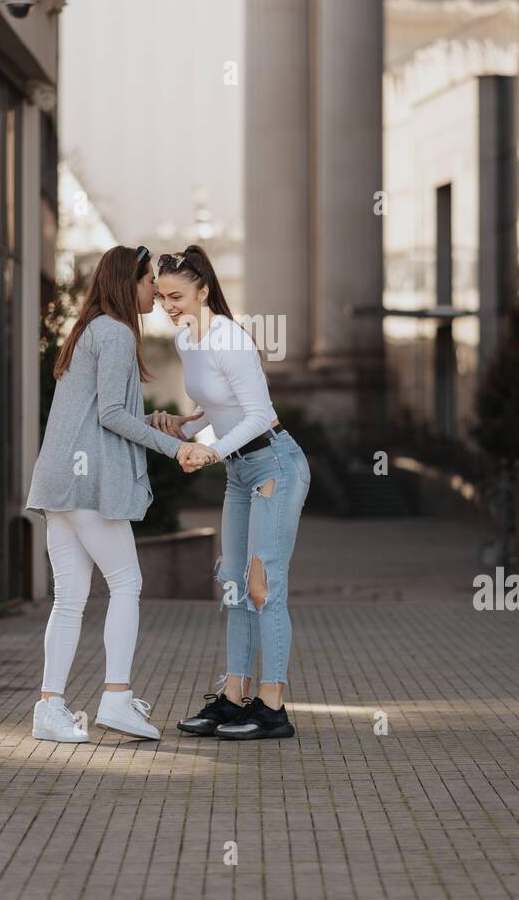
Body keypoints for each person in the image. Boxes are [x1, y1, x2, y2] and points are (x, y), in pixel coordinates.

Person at [26, 245, 215, 744]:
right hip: (89, 486)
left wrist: (158, 424)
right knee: (126, 584)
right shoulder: (113, 332)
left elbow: (106, 413)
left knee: (69, 600)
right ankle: (115, 698)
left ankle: (50, 707)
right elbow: (110, 416)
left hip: (60, 483)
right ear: (125, 284)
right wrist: (176, 451)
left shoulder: (92, 330)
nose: (156, 289)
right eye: (149, 281)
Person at [152, 245, 311, 741]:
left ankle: (272, 707)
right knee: (235, 587)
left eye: (176, 295)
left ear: (203, 290)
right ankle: (235, 696)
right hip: (240, 474)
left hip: (274, 466)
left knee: (265, 587)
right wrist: (186, 422)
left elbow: (259, 414)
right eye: (160, 297)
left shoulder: (228, 338)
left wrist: (213, 450)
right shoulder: (186, 339)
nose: (168, 305)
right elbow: (217, 403)